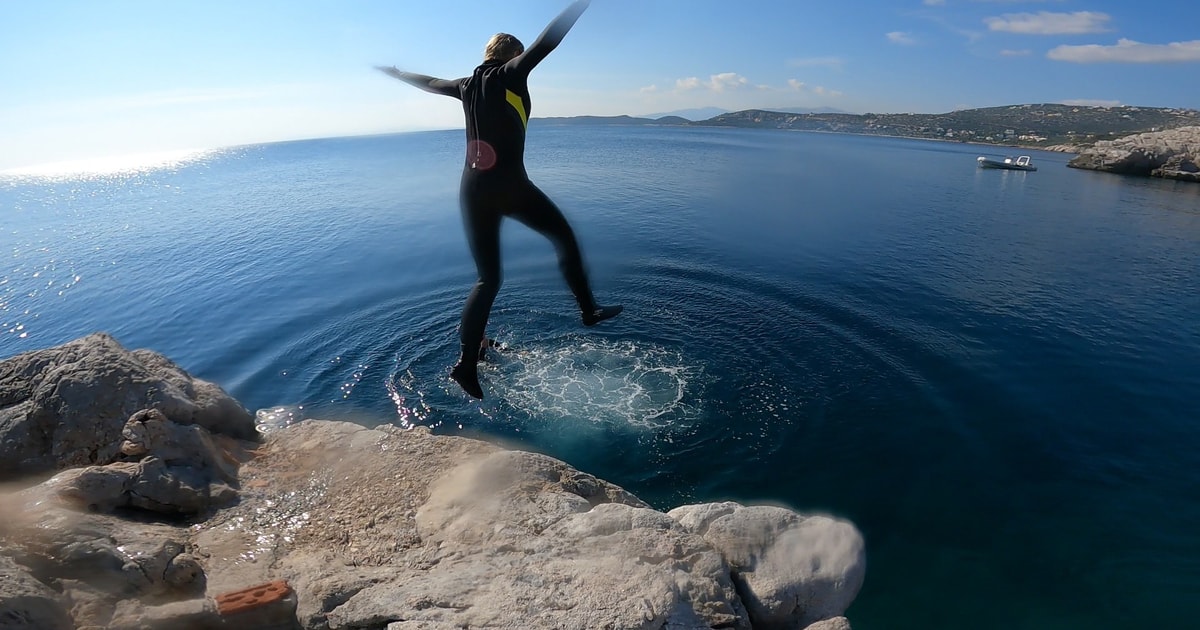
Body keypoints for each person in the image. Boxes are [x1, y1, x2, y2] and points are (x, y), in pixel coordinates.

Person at [378, 0, 621, 399]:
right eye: (519, 55)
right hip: (510, 185)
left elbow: (429, 82)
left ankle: (467, 365)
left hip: (472, 191)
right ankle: (588, 311)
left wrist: (398, 73)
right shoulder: (511, 74)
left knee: (487, 279)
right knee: (564, 238)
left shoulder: (466, 85)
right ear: (511, 56)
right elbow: (549, 41)